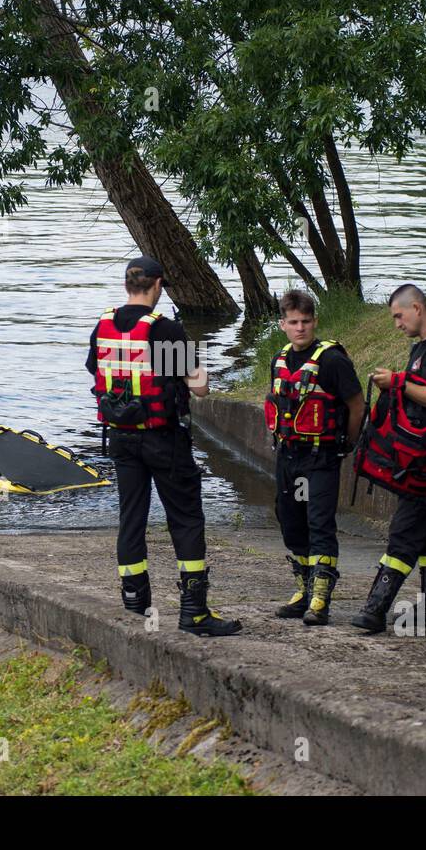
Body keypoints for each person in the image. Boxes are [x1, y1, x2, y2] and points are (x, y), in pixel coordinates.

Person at [87, 256, 241, 637]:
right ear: (157, 286)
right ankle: (194, 611)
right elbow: (199, 386)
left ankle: (135, 601)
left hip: (120, 438)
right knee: (185, 518)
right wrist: (190, 353)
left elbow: (98, 370)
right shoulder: (165, 330)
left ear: (128, 285)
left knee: (132, 516)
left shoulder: (104, 325)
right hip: (162, 438)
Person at [351, 284, 426, 634]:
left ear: (417, 308)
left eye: (398, 316)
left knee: (403, 532)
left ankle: (375, 609)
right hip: (415, 458)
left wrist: (398, 382)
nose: (397, 324)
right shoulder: (420, 349)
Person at [265, 290, 364, 626]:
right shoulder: (278, 360)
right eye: (293, 322)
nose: (300, 328)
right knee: (290, 520)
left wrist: (347, 443)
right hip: (288, 455)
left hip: (321, 457)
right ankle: (303, 590)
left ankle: (321, 598)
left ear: (315, 321)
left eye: (306, 321)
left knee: (319, 522)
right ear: (283, 324)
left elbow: (356, 405)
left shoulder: (332, 360)